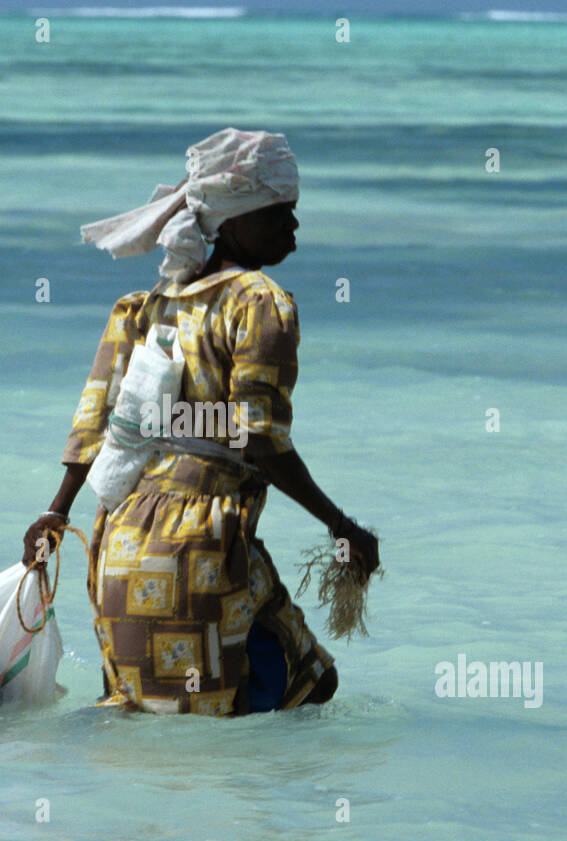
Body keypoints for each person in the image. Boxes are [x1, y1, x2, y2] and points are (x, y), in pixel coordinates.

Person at [22, 128, 378, 716]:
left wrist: (54, 514)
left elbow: (95, 423)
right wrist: (341, 527)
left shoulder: (144, 308)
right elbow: (259, 437)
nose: (294, 229)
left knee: (147, 717)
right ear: (233, 221)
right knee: (306, 691)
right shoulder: (260, 302)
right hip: (199, 548)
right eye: (281, 213)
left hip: (118, 551)